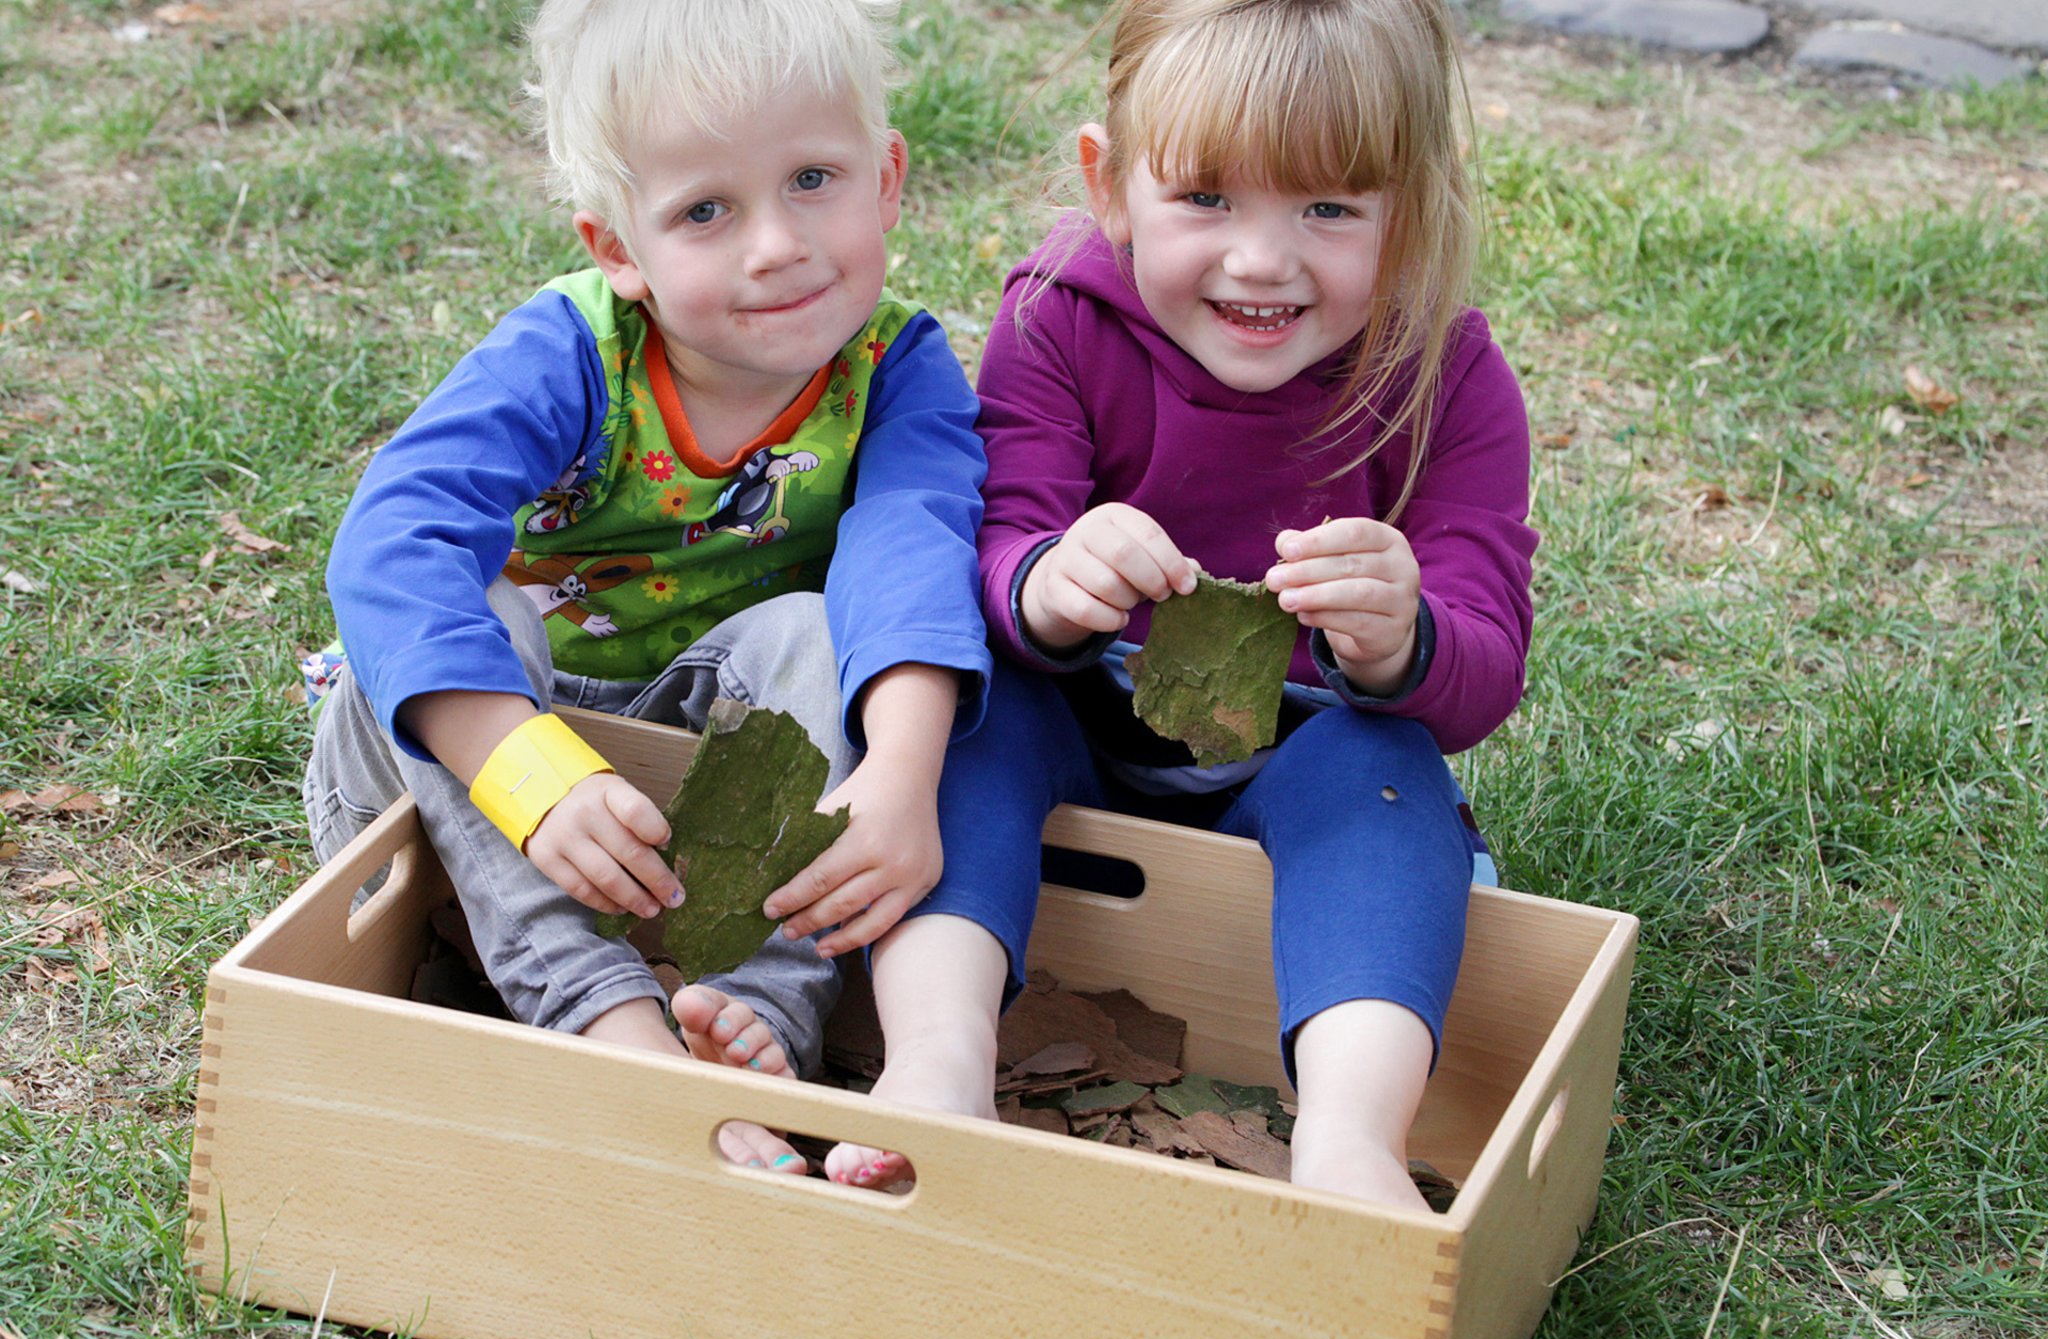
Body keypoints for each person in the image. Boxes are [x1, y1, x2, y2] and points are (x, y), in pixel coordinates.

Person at [812, 0, 1535, 1205]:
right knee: (965, 733)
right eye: (1205, 198)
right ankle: (937, 1066)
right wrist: (1049, 584)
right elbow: (991, 556)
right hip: (1078, 717)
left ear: (1411, 209)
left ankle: (1348, 1143)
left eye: (1328, 207)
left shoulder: (1446, 378)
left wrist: (1403, 637)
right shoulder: (1056, 319)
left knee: (1391, 782)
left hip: (1301, 746)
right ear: (1110, 184)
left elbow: (1481, 665)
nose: (1262, 259)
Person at [302, 0, 989, 1176]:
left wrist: (903, 775)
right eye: (705, 211)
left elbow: (912, 556)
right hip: (475, 776)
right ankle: (610, 1022)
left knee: (819, 635)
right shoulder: (570, 352)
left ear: (886, 179)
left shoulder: (896, 368)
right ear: (619, 248)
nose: (774, 244)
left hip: (699, 778)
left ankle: (754, 1016)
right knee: (477, 620)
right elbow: (394, 540)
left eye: (813, 178)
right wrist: (526, 771)